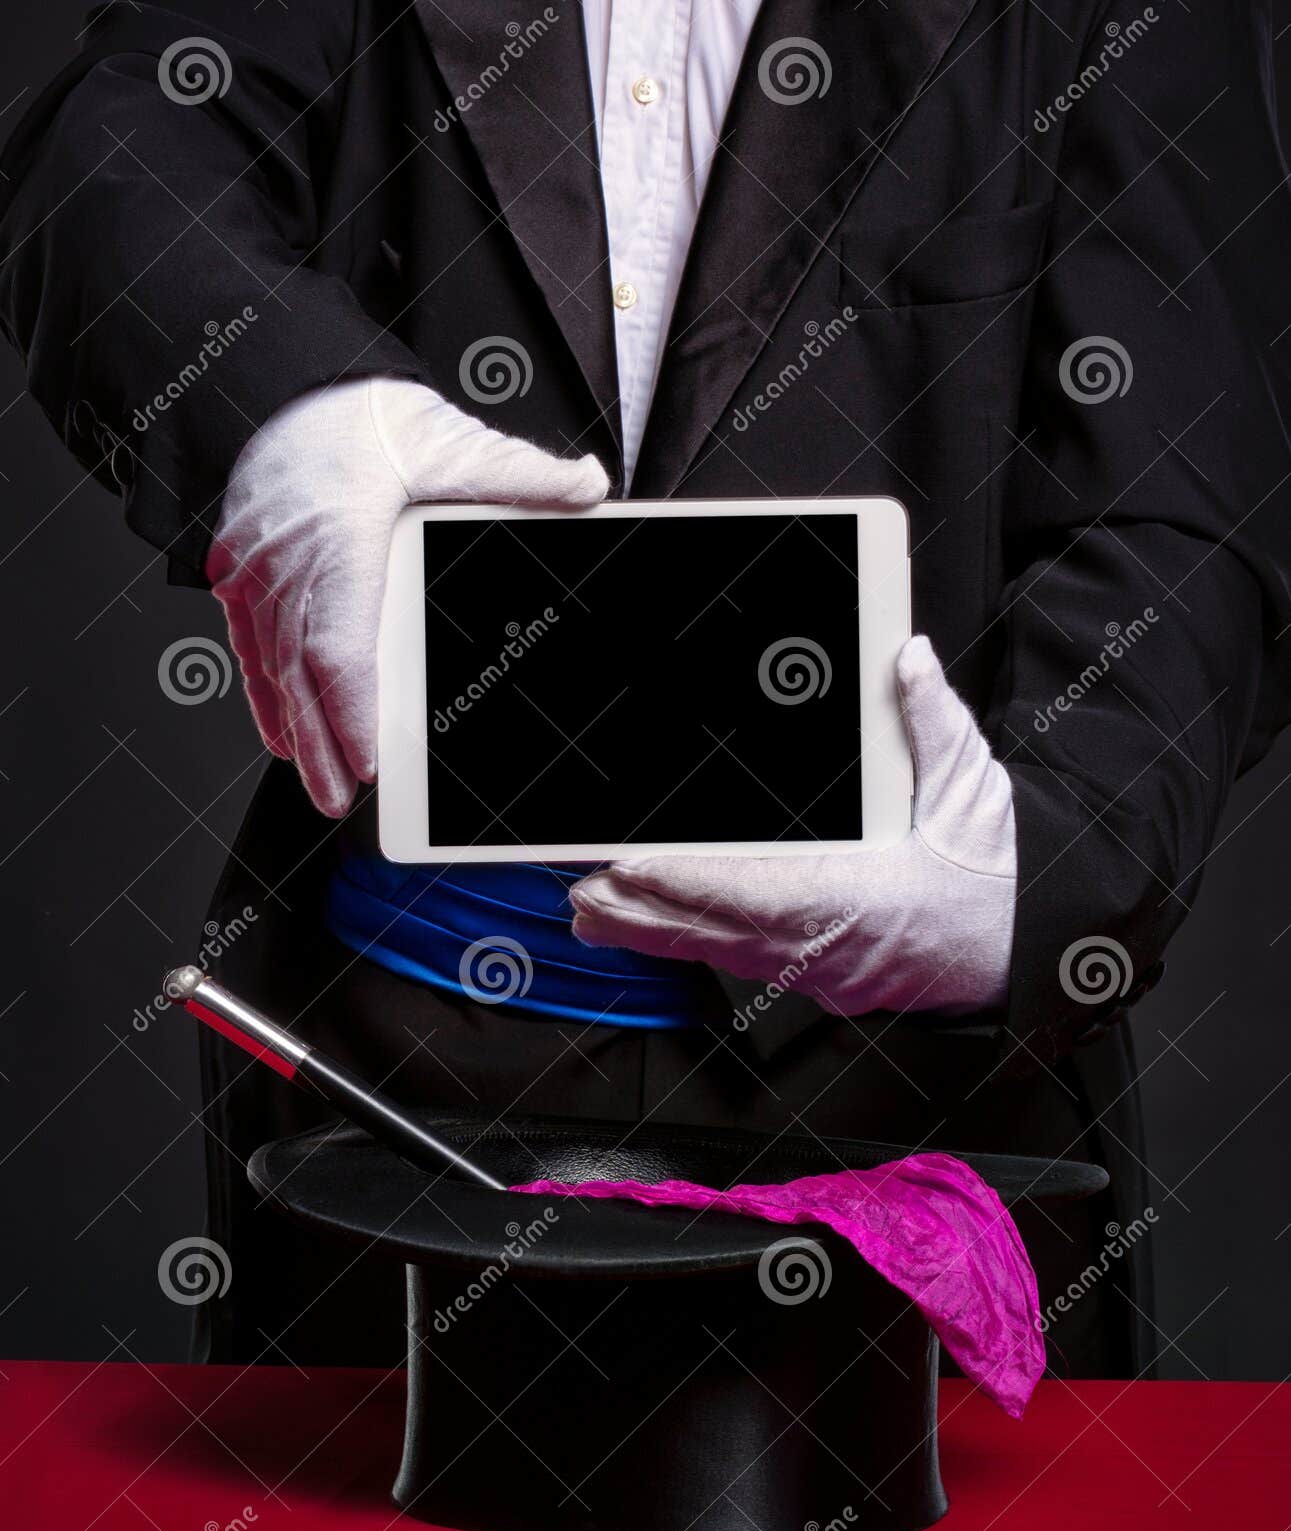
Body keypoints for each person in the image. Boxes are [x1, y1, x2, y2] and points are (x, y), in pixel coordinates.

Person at [2, 1, 1288, 1373]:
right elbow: (110, 138)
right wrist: (280, 413)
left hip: (923, 1101)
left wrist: (1041, 876)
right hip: (391, 1093)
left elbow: (1189, 485)